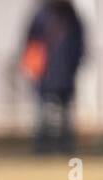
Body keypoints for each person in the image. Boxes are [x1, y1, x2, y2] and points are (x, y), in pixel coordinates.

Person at [23, 0, 84, 154]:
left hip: (65, 74)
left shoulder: (72, 16)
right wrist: (33, 68)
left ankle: (65, 149)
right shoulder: (41, 15)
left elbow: (79, 45)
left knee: (65, 116)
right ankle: (42, 150)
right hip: (44, 75)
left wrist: (74, 65)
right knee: (43, 115)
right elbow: (32, 43)